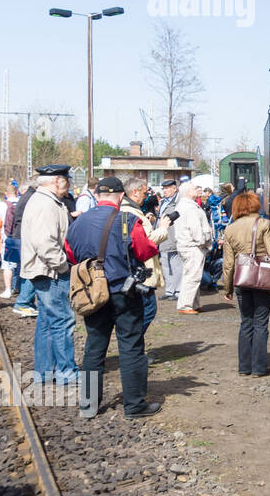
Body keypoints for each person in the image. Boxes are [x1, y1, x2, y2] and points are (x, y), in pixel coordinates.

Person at [65, 175, 161, 419]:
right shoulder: (128, 219)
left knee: (94, 347)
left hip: (93, 292)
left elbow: (70, 252)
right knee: (131, 346)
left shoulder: (78, 222)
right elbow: (145, 250)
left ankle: (88, 405)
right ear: (121, 196)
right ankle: (134, 404)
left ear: (97, 196)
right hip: (124, 292)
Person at [19, 165, 77, 385]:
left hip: (43, 270)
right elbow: (45, 243)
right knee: (62, 320)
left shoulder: (44, 201)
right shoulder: (46, 204)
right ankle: (66, 373)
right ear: (57, 181)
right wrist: (63, 265)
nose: (69, 185)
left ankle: (44, 371)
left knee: (47, 321)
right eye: (67, 180)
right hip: (50, 271)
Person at [219, 191, 270, 376]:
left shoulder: (230, 229)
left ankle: (244, 367)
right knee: (261, 323)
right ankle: (259, 367)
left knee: (246, 322)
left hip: (241, 280)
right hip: (262, 278)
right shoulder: (263, 224)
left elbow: (228, 263)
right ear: (255, 205)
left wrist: (228, 288)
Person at [121, 178, 168, 338]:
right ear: (134, 192)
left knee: (143, 310)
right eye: (144, 192)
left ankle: (133, 347)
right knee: (147, 310)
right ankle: (133, 347)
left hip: (137, 268)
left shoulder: (128, 210)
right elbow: (146, 241)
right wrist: (163, 229)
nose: (146, 196)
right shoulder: (131, 212)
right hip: (142, 269)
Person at [174, 182, 212, 314]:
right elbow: (195, 228)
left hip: (188, 245)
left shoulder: (185, 205)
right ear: (187, 192)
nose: (198, 189)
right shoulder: (190, 207)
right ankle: (185, 305)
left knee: (192, 274)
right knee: (192, 276)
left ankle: (194, 304)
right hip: (193, 246)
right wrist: (203, 241)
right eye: (195, 188)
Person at [6, 180, 39, 316]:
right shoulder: (32, 198)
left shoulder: (27, 197)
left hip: (21, 236)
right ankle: (23, 302)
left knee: (27, 269)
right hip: (27, 238)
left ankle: (25, 301)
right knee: (31, 269)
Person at [156, 179, 182, 301]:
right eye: (164, 188)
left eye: (167, 188)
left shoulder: (178, 202)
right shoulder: (163, 202)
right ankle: (169, 290)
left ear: (175, 188)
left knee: (176, 265)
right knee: (166, 265)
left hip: (173, 237)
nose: (165, 190)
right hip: (163, 237)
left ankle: (178, 290)